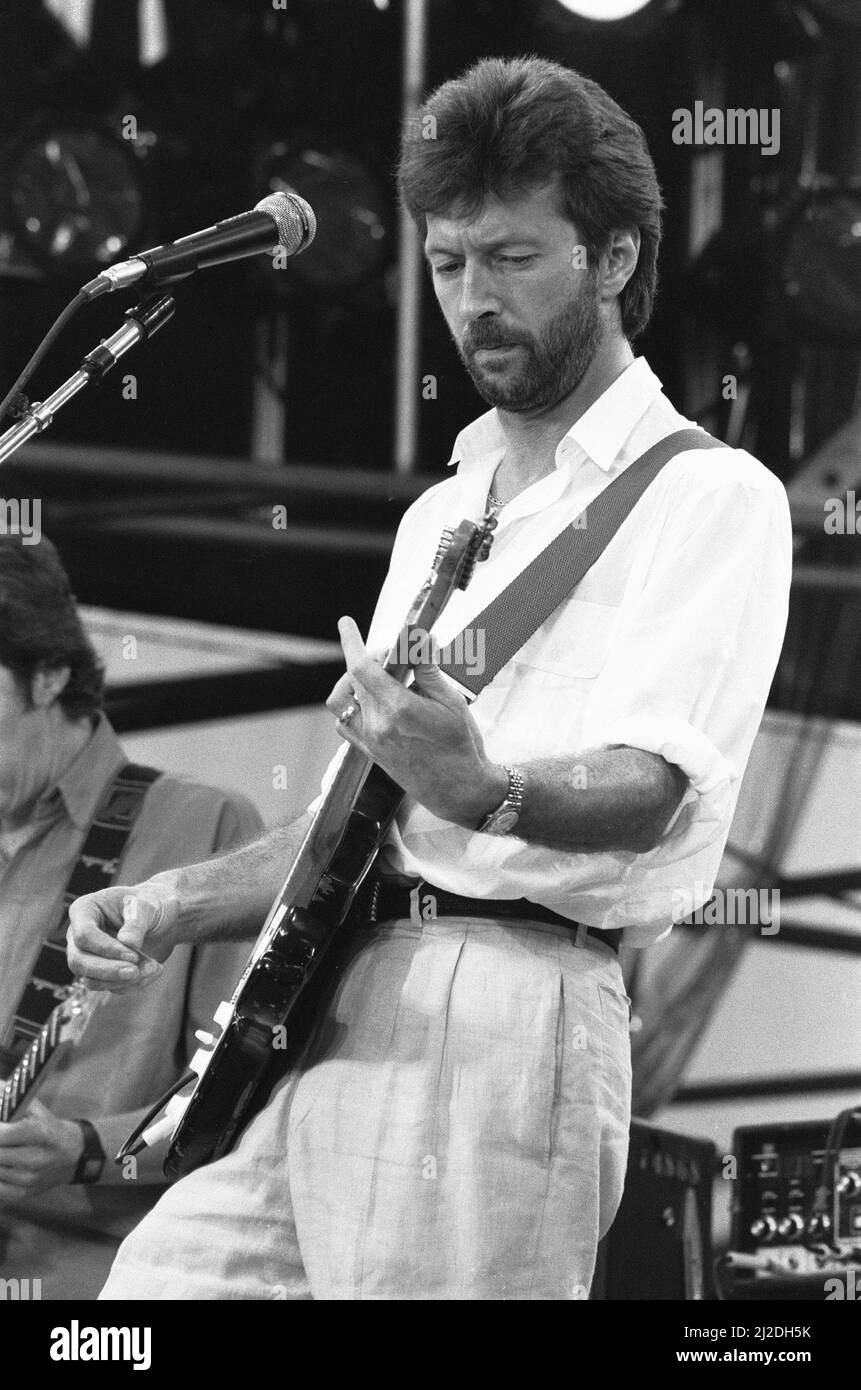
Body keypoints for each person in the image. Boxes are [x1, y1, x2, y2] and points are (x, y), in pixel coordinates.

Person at [68, 56, 792, 1301]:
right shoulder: (441, 513)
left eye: (513, 259)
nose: (473, 302)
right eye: (450, 265)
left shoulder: (709, 493)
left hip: (513, 995)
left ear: (615, 260)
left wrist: (488, 790)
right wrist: (175, 900)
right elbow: (363, 816)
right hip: (338, 990)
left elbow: (654, 785)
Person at [0, 533, 261, 1299]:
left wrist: (84, 1148)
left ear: (47, 675)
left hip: (105, 1293)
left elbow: (250, 1096)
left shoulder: (203, 828)